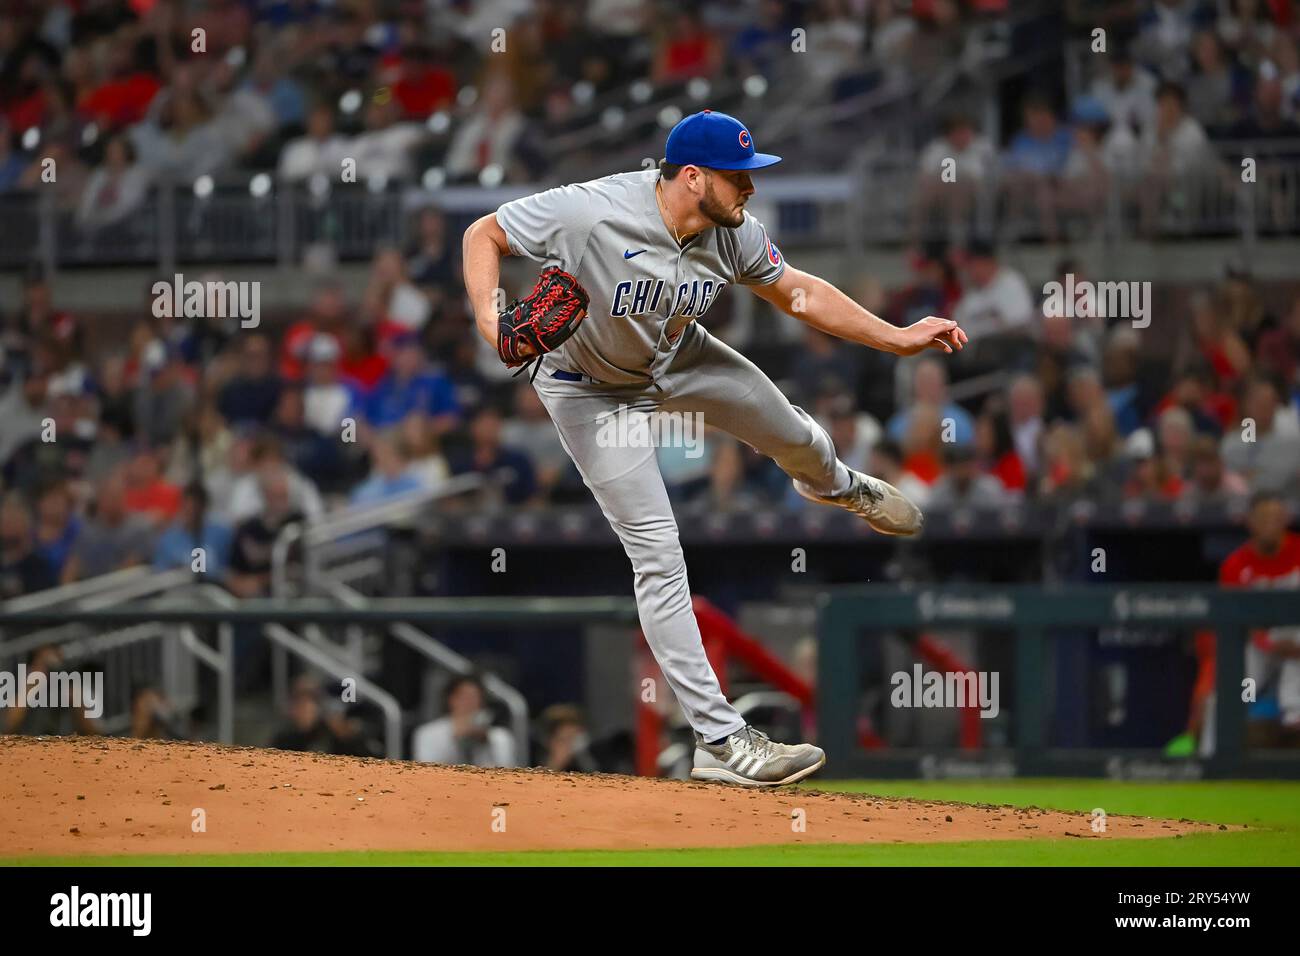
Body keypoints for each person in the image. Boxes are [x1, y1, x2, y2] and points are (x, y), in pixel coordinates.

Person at [461, 109, 967, 786]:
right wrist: (492, 316)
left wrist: (897, 336)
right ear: (692, 177)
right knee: (658, 554)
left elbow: (802, 294)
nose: (749, 190)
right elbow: (482, 232)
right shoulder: (591, 212)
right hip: (588, 390)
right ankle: (721, 741)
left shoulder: (732, 233)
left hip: (677, 355)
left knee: (796, 433)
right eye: (738, 178)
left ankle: (836, 485)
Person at [411, 675, 518, 768]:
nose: (468, 703)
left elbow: (506, 771)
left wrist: (485, 742)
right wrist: (454, 738)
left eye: (474, 698)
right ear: (451, 699)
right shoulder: (426, 733)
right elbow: (426, 770)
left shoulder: (501, 737)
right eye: (463, 697)